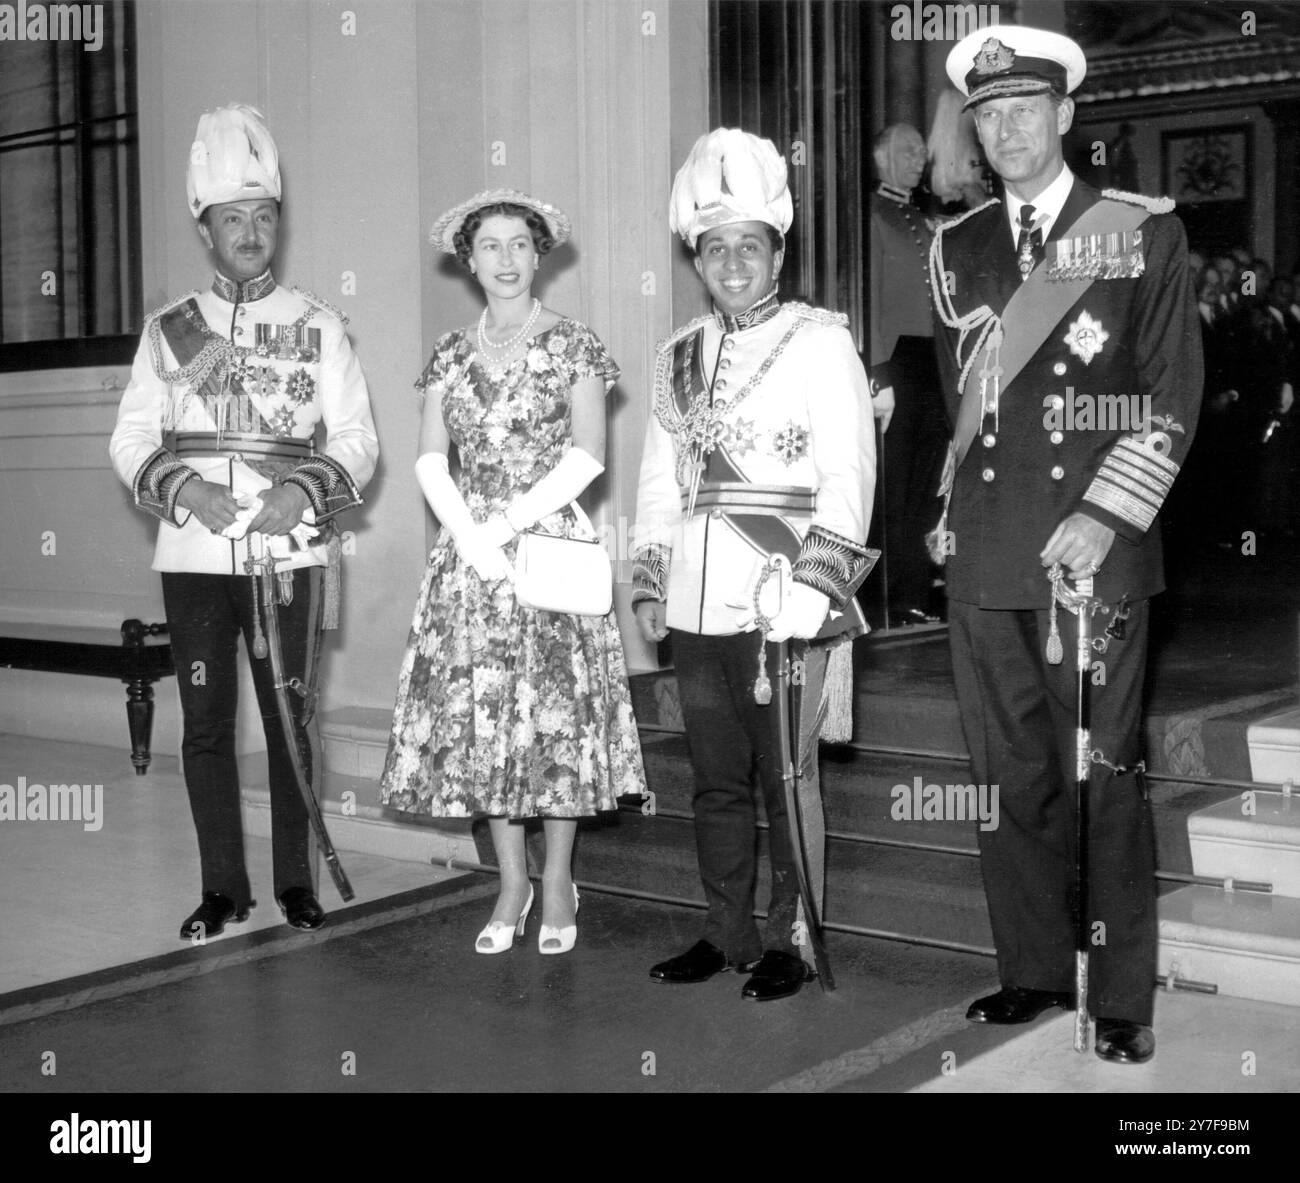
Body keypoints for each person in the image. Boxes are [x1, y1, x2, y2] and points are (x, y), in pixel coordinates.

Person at [932, 26, 1202, 1063]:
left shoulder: (1137, 232)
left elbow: (1170, 396)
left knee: (1105, 771)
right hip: (989, 554)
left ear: (1065, 115)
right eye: (989, 116)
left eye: (1025, 111)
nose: (1006, 131)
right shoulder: (956, 249)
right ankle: (1035, 968)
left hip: (1097, 549)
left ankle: (1119, 993)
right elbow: (967, 413)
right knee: (1007, 775)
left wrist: (1105, 514)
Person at [110, 104, 379, 939]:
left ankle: (295, 882)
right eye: (234, 219)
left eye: (264, 216)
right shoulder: (168, 332)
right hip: (192, 554)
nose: (251, 233)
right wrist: (186, 490)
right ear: (207, 228)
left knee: (290, 721)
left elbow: (359, 439)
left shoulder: (319, 326)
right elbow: (130, 438)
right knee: (205, 725)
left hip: (288, 552)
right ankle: (222, 888)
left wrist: (302, 492)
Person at [632, 128, 876, 1001]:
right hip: (698, 607)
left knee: (787, 777)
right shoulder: (677, 357)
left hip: (783, 598)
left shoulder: (820, 341)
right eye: (715, 248)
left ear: (778, 251)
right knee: (715, 782)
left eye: (748, 245)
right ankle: (725, 929)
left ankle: (793, 936)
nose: (731, 263)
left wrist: (814, 588)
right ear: (696, 259)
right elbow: (659, 482)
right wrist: (650, 578)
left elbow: (849, 476)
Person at [379, 190, 647, 956]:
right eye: (490, 245)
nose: (505, 258)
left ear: (539, 255)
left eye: (519, 243)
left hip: (547, 549)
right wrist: (470, 536)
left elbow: (587, 455)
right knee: (484, 721)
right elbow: (431, 459)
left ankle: (557, 879)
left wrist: (502, 526)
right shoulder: (450, 352)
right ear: (469, 260)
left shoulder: (574, 344)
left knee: (553, 719)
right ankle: (510, 881)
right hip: (470, 562)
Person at [868, 123, 949, 625]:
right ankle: (885, 594)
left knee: (925, 480)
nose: (918, 159)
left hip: (930, 358)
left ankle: (914, 589)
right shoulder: (873, 215)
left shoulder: (918, 218)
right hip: (894, 360)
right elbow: (870, 297)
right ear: (881, 157)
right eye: (907, 151)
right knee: (893, 483)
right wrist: (878, 376)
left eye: (921, 151)